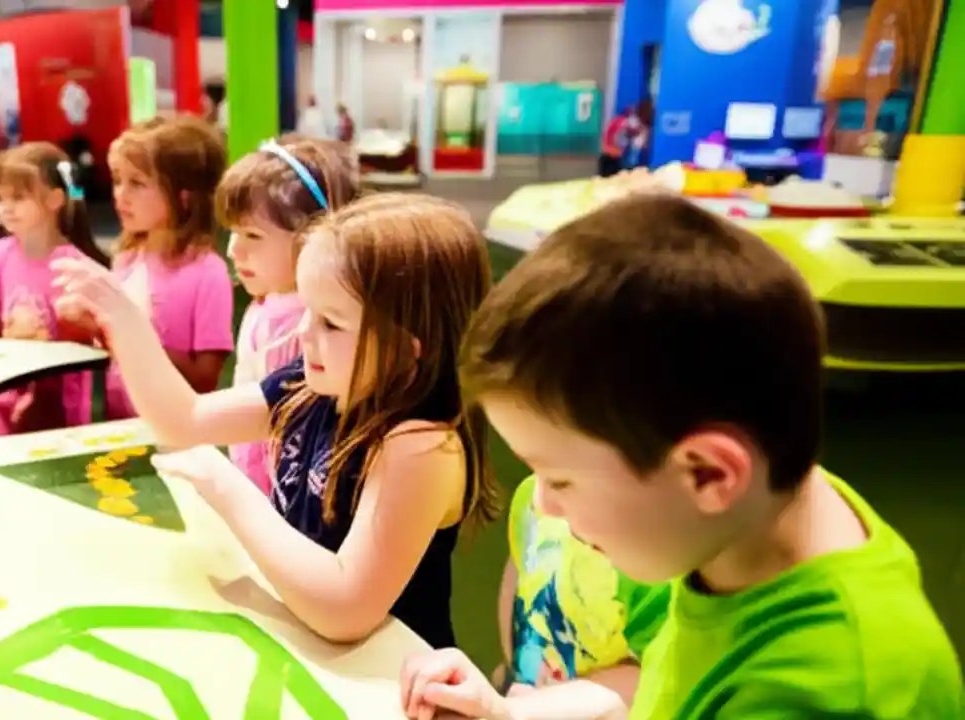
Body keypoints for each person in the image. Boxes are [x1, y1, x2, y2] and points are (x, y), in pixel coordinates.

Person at [399, 194, 962, 719]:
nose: (544, 507)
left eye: (561, 480)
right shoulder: (752, 525)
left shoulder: (827, 688)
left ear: (709, 474)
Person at [52, 193, 501, 648]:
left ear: (405, 351)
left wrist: (227, 487)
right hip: (313, 653)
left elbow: (345, 609)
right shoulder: (313, 387)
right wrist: (123, 318)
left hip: (388, 686)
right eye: (307, 309)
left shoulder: (419, 447)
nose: (303, 332)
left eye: (332, 323)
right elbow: (185, 420)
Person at [217, 135, 360, 494]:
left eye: (252, 235)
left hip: (280, 496)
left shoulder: (297, 322)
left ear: (313, 235)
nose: (234, 250)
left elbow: (288, 427)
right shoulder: (268, 302)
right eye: (233, 233)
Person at [493, 474, 669, 707]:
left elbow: (662, 680)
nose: (542, 500)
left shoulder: (653, 543)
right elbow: (518, 602)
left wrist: (536, 707)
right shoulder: (531, 497)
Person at [101, 116, 233, 419]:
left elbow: (205, 379)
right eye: (118, 180)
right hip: (120, 423)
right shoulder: (126, 259)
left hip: (176, 432)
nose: (121, 194)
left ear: (184, 196)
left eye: (137, 183)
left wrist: (133, 333)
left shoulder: (207, 272)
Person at [0, 142, 107, 435]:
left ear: (55, 199)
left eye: (18, 197)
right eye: (0, 198)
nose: (6, 208)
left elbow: (84, 345)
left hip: (63, 408)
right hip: (6, 396)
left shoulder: (76, 267)